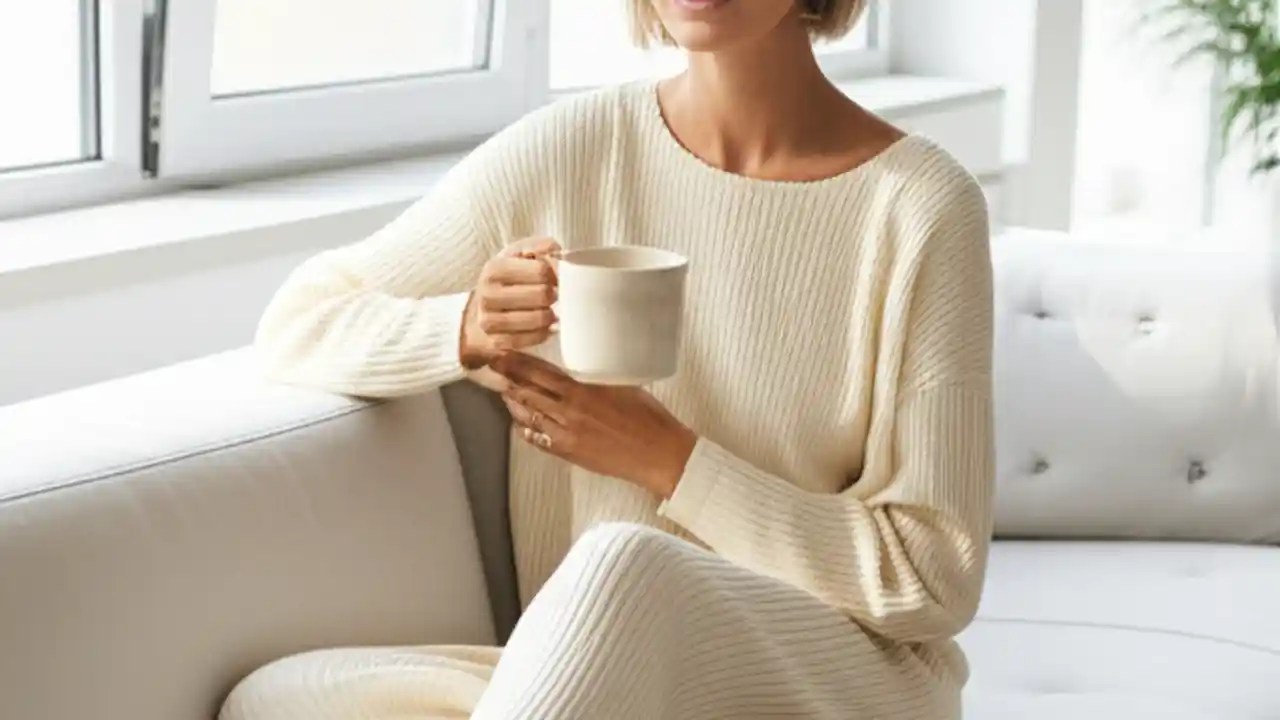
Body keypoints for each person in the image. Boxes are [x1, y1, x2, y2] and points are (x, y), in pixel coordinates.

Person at [221, 0, 995, 717]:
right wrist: (470, 323)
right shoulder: (571, 151)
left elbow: (933, 576)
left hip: (839, 675)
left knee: (628, 565)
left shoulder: (919, 206)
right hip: (607, 671)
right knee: (285, 700)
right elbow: (301, 320)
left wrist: (668, 460)